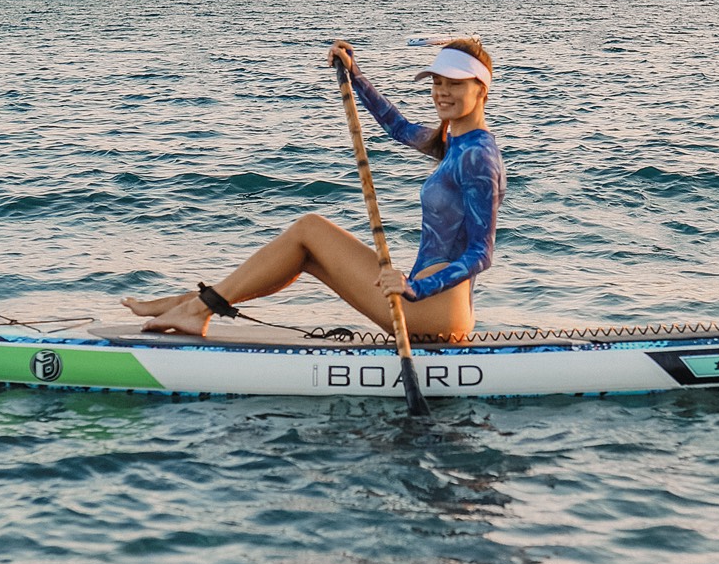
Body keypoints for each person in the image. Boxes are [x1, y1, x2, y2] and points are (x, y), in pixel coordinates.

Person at [122, 37, 506, 341]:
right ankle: (194, 305)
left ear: (481, 89)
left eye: (454, 84)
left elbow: (480, 253)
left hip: (432, 311)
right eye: (437, 82)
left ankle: (197, 308)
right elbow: (399, 127)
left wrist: (415, 289)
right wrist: (355, 76)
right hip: (426, 301)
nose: (442, 92)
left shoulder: (479, 157)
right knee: (304, 252)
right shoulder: (454, 142)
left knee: (310, 229)